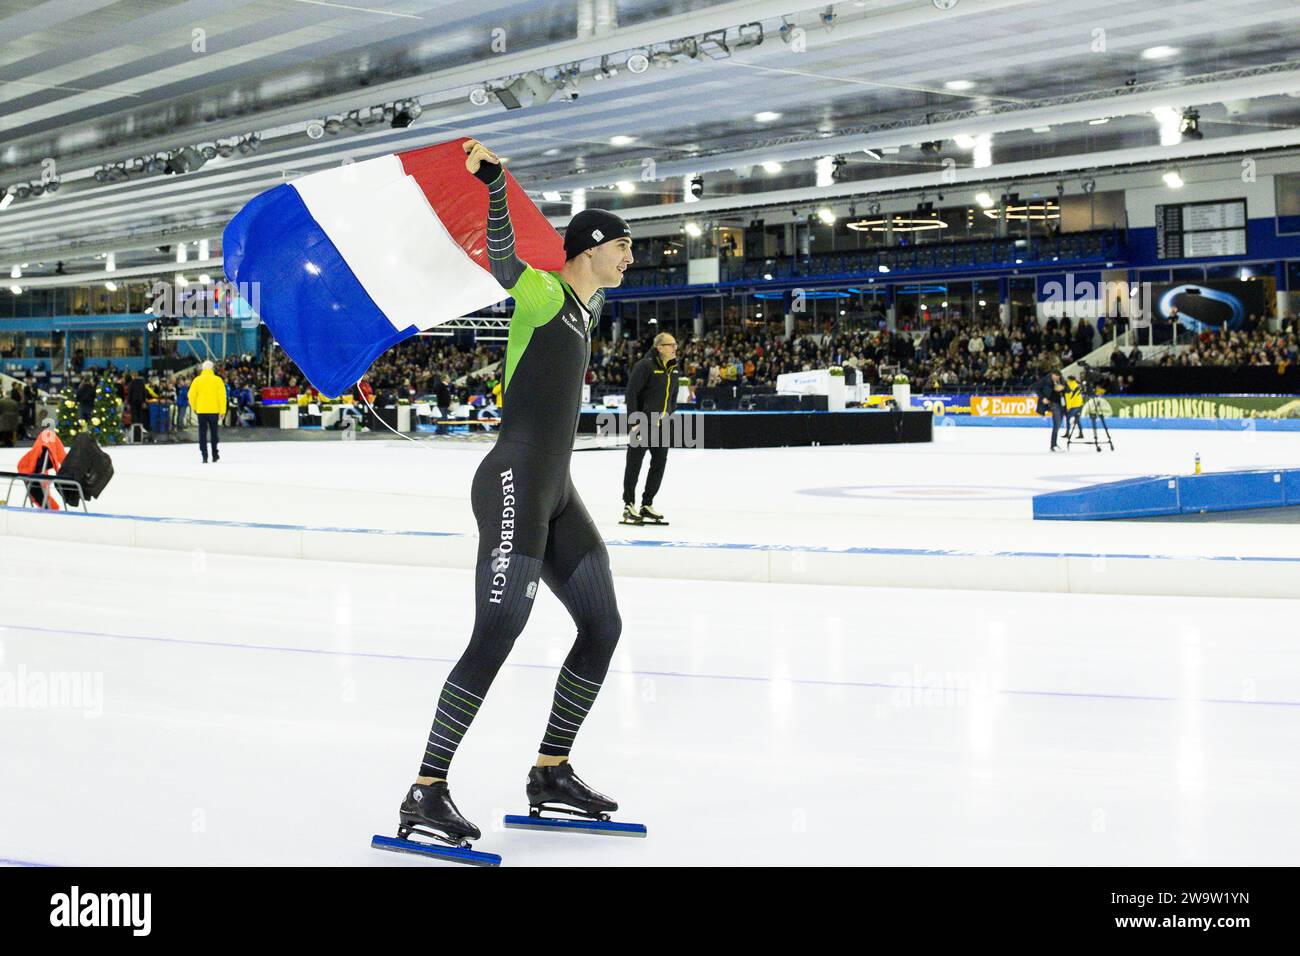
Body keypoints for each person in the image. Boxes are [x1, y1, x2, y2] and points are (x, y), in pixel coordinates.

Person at [395, 138, 634, 848]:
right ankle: (426, 788)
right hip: (512, 484)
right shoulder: (544, 293)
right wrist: (497, 188)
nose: (630, 256)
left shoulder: (587, 314)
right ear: (588, 248)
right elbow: (502, 261)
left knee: (603, 626)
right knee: (499, 630)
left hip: (555, 489)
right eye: (621, 245)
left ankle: (551, 770)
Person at [622, 332, 680, 525]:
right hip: (643, 423)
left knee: (659, 464)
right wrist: (634, 421)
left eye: (675, 345)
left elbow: (673, 397)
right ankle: (628, 504)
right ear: (659, 347)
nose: (674, 348)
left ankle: (647, 504)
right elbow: (631, 393)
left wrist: (669, 414)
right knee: (634, 464)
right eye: (670, 345)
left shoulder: (673, 369)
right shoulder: (645, 365)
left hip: (662, 426)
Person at [188, 360, 227, 463]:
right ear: (212, 368)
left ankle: (204, 456)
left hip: (201, 410)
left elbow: (191, 395)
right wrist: (222, 411)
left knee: (202, 433)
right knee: (214, 433)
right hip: (214, 411)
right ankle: (215, 454)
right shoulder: (218, 380)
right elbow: (222, 397)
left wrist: (195, 407)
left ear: (202, 369)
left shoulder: (197, 380)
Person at [1032, 369, 1066, 451]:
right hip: (1053, 404)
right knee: (1057, 423)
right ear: (1052, 375)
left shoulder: (1061, 380)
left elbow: (1067, 388)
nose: (1057, 378)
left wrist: (1063, 387)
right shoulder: (1045, 380)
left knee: (1058, 424)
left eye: (1059, 377)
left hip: (1061, 404)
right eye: (1056, 377)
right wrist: (1043, 398)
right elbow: (1036, 388)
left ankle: (1054, 444)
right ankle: (1053, 445)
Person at [1063, 374, 1084, 440]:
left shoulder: (1069, 386)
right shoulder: (1077, 385)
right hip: (1079, 405)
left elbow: (1068, 398)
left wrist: (1068, 407)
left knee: (1068, 418)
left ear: (1069, 379)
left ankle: (1067, 433)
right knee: (1077, 420)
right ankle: (1081, 433)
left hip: (1073, 406)